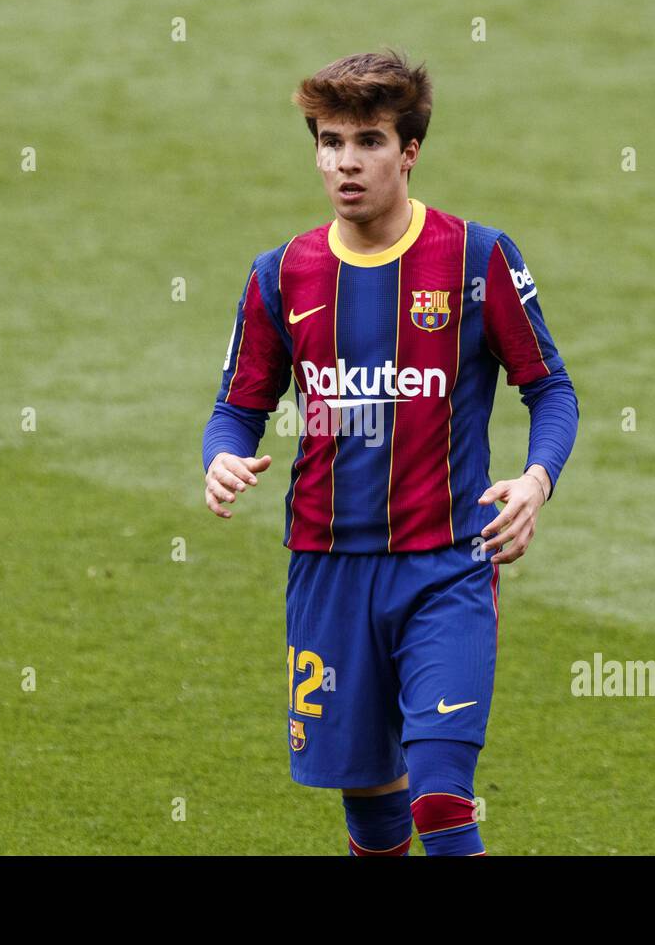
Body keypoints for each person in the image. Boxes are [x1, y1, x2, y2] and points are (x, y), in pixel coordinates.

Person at [201, 49, 579, 855]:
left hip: (445, 567)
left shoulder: (478, 258)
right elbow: (239, 405)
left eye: (368, 140)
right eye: (331, 141)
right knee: (372, 813)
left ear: (409, 151)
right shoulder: (281, 276)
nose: (346, 161)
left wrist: (536, 482)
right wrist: (221, 457)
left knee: (440, 804)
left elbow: (550, 389)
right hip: (328, 569)